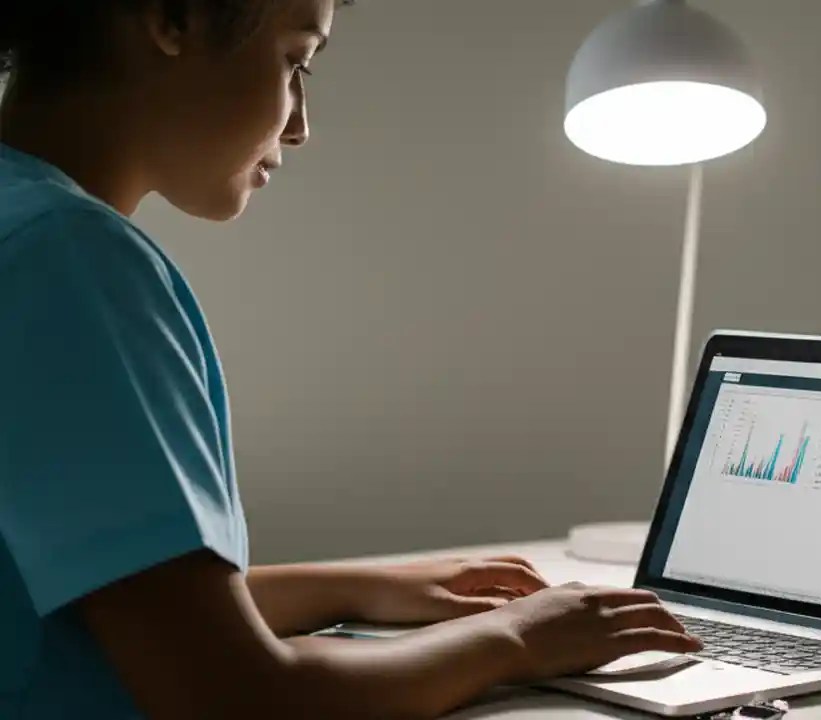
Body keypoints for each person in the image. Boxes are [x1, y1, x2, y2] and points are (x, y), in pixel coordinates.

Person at [0, 1, 701, 717]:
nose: (300, 124)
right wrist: (516, 638)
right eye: (294, 61)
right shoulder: (68, 260)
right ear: (173, 17)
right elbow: (234, 694)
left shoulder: (19, 222)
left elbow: (118, 612)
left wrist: (359, 587)